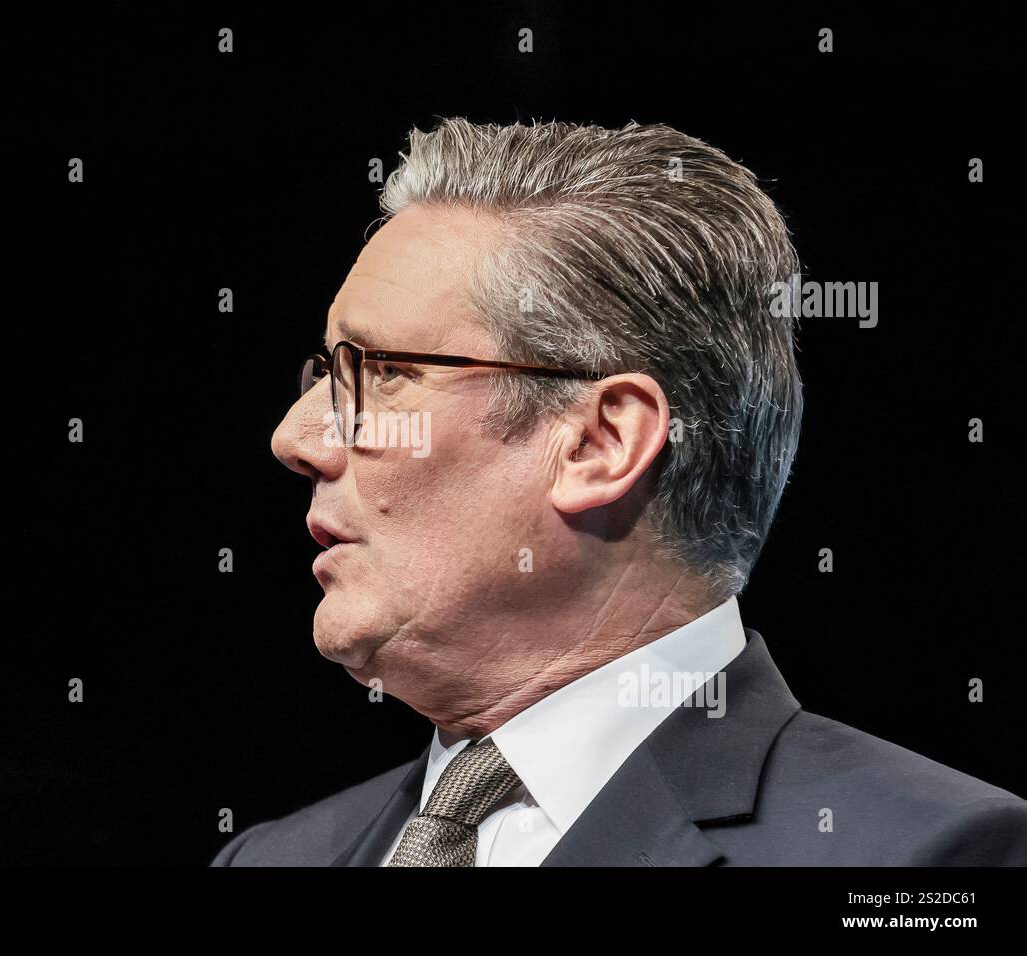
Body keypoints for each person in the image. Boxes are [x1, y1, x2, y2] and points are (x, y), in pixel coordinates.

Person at [214, 118, 1027, 866]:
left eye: (384, 373)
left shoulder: (928, 856)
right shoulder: (266, 860)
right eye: (325, 372)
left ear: (602, 442)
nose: (295, 437)